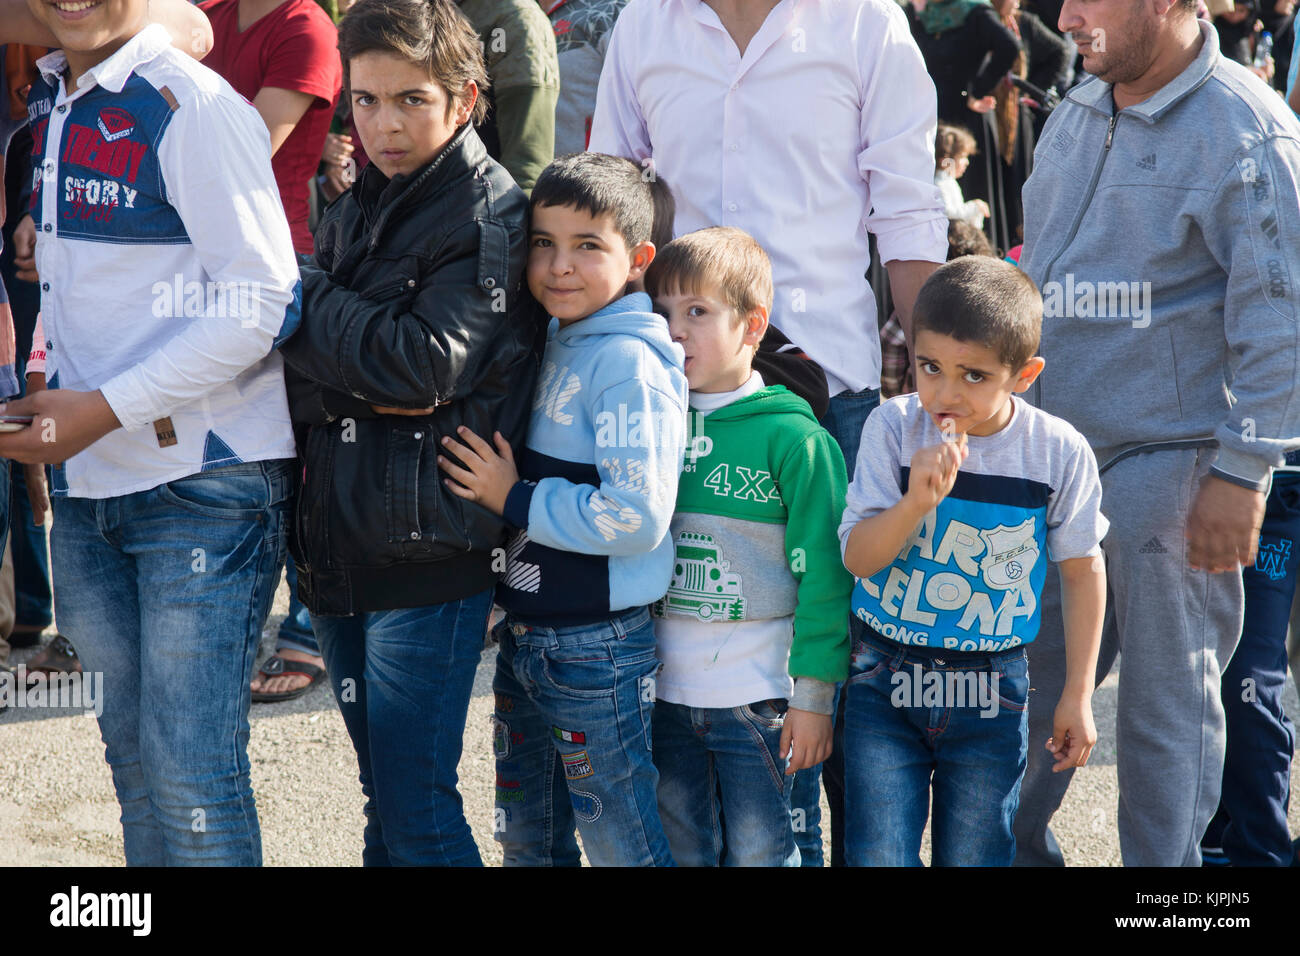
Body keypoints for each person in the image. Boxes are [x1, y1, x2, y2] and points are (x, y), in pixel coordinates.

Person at [590, 0, 949, 868]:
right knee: (690, 629)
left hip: (835, 396)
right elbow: (613, 203)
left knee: (853, 684)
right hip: (680, 391)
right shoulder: (646, 24)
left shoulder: (866, 24)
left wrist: (939, 400)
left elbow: (906, 211)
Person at [0, 0, 300, 865]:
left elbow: (262, 303)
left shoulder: (195, 105)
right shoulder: (59, 98)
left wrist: (100, 409)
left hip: (204, 487)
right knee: (134, 765)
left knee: (189, 773)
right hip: (92, 483)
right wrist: (50, 394)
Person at [1014, 0, 1300, 866]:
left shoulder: (1249, 133)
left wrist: (1243, 471)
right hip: (1050, 464)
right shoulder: (1078, 106)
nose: (1066, 15)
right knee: (1017, 709)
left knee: (1162, 724)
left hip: (1169, 470)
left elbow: (1282, 320)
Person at [277, 0, 538, 866]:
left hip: (430, 550)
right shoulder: (360, 203)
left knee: (417, 806)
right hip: (341, 538)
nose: (385, 123)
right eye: (366, 100)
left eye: (411, 100)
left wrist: (305, 300)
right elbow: (321, 377)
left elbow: (419, 369)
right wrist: (350, 355)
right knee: (384, 801)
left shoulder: (490, 214)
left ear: (465, 99)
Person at [439, 151, 688, 867]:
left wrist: (512, 498)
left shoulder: (631, 363)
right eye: (543, 243)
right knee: (528, 836)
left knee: (621, 842)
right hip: (529, 636)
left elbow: (636, 516)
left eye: (587, 246)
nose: (558, 266)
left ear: (638, 258)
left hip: (596, 648)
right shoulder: (552, 336)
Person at [840, 256, 1107, 865]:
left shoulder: (1057, 451)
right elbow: (858, 558)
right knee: (878, 853)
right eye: (930, 367)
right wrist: (915, 503)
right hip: (886, 677)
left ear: (1023, 374)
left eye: (975, 376)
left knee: (977, 855)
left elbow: (1083, 569)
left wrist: (1078, 693)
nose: (945, 393)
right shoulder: (892, 428)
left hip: (992, 688)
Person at [644, 226, 851, 867]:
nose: (675, 331)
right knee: (683, 852)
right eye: (663, 313)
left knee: (770, 854)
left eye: (697, 312)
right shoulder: (647, 420)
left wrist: (814, 700)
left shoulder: (797, 439)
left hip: (763, 699)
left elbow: (827, 577)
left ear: (753, 325)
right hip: (660, 694)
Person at [197, 0, 342, 703]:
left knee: (298, 459)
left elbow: (242, 147)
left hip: (278, 266)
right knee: (231, 455)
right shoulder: (206, 15)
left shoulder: (306, 26)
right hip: (200, 264)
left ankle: (310, 627)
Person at [1201, 451, 1300, 866]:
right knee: (1236, 686)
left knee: (1249, 689)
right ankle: (1221, 840)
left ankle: (1260, 853)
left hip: (1279, 486)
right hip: (1216, 477)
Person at [905, 0, 1022, 249]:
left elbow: (1009, 46)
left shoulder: (975, 11)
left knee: (970, 194)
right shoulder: (921, 15)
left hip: (967, 127)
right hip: (934, 126)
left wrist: (976, 91)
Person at [458, 0, 559, 193]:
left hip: (482, 204)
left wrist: (515, 218)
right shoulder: (419, 9)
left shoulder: (514, 19)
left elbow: (527, 164)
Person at [538, 0, 627, 155]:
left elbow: (639, 103)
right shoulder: (517, 16)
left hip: (597, 173)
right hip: (537, 172)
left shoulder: (610, 9)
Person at [935, 123, 990, 229]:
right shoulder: (940, 183)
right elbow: (949, 213)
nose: (967, 162)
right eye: (962, 157)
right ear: (946, 161)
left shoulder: (949, 182)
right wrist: (975, 206)